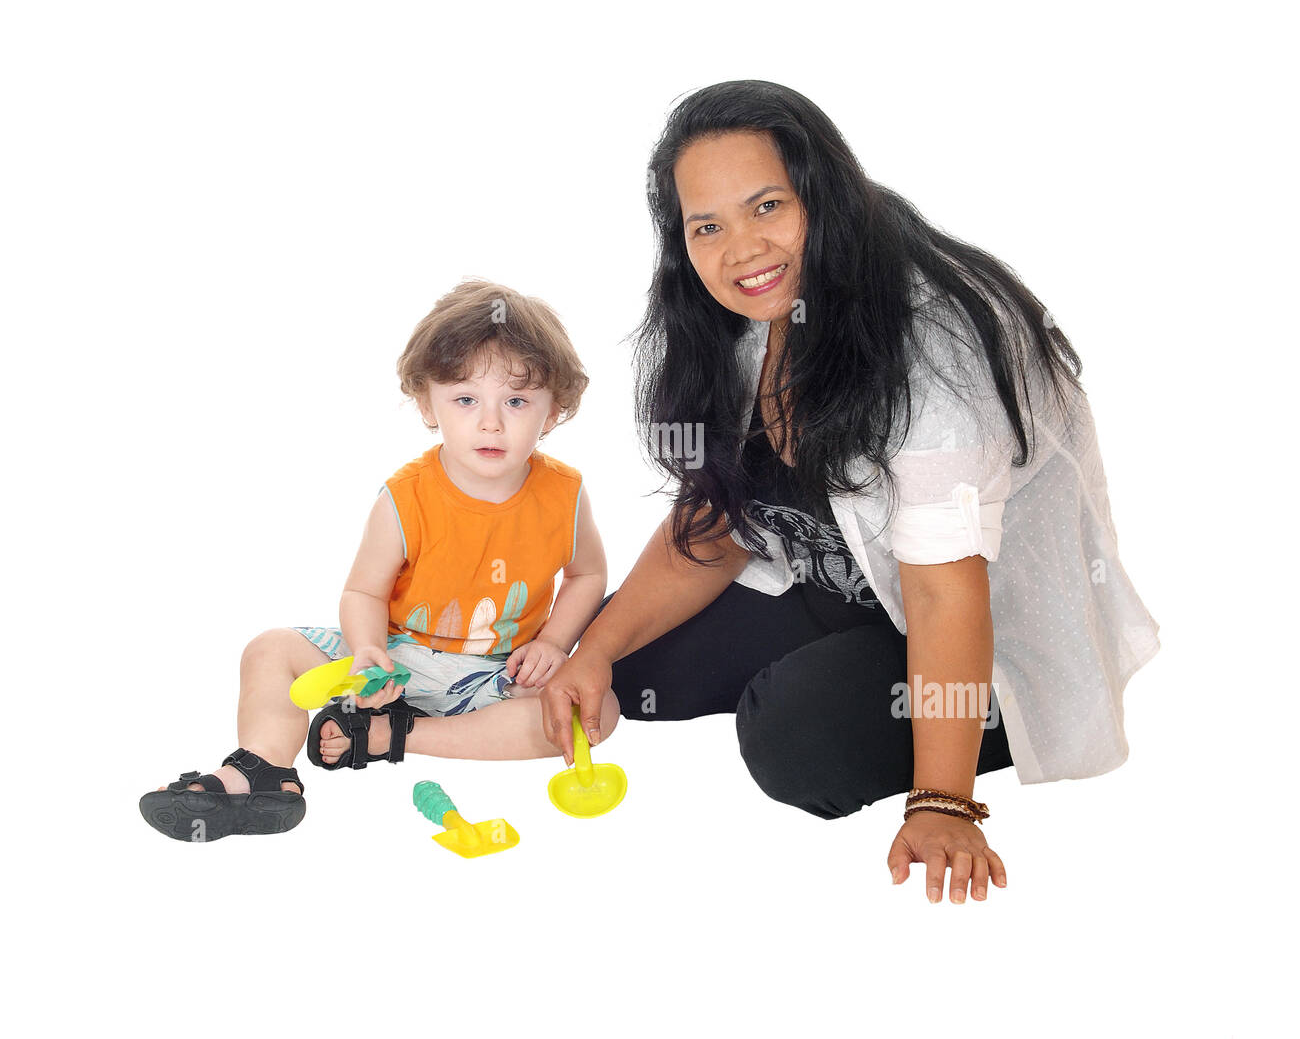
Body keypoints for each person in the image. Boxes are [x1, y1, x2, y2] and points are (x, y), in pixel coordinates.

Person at [539, 79, 1161, 904]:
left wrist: (943, 802)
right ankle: (827, 664)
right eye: (708, 226)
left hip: (978, 623)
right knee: (624, 664)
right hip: (857, 585)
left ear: (822, 194)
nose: (741, 250)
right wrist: (594, 651)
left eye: (767, 206)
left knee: (794, 740)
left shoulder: (934, 355)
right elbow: (719, 518)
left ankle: (979, 727)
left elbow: (945, 595)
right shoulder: (745, 319)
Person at [139, 279, 620, 842]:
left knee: (598, 711)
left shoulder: (565, 493)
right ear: (427, 403)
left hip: (495, 673)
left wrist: (554, 643)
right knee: (269, 647)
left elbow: (587, 573)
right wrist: (367, 651)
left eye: (516, 401)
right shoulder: (406, 495)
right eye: (466, 399)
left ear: (554, 409)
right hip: (389, 660)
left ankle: (391, 736)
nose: (491, 422)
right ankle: (263, 770)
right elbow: (364, 592)